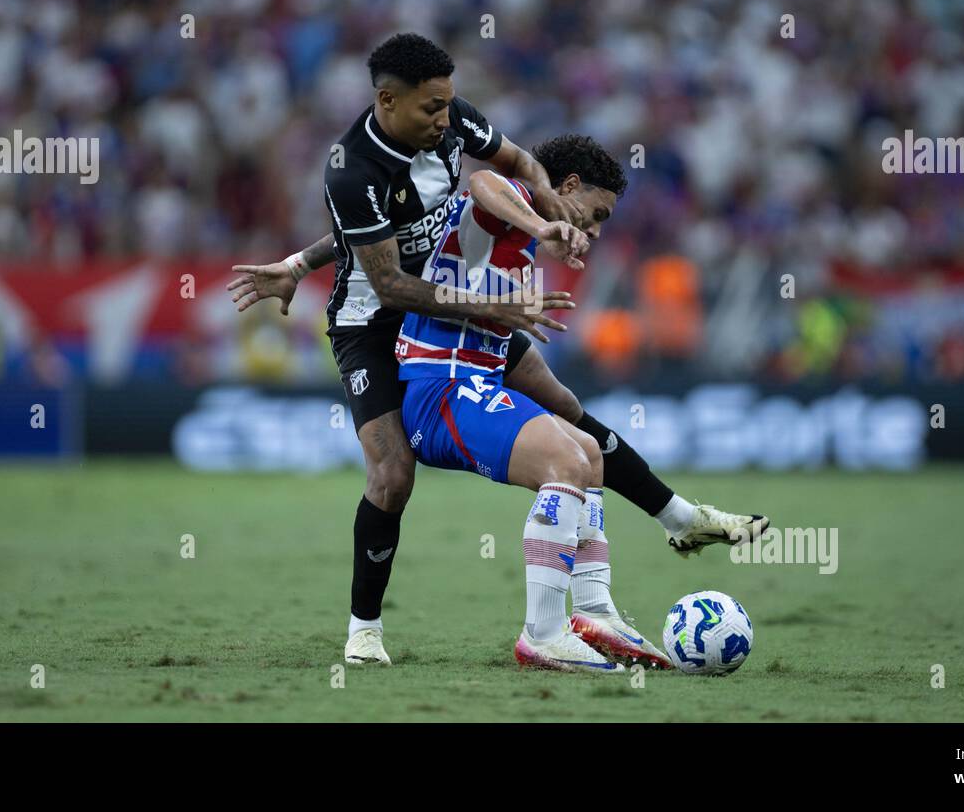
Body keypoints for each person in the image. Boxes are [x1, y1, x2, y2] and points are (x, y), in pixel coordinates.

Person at [229, 37, 767, 666]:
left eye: (448, 104)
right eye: (433, 107)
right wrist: (528, 251)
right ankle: (365, 629)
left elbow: (510, 169)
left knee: (567, 409)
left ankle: (670, 526)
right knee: (393, 474)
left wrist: (549, 212)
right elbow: (414, 251)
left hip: (459, 309)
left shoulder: (447, 118)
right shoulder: (351, 170)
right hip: (376, 316)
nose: (446, 116)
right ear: (388, 100)